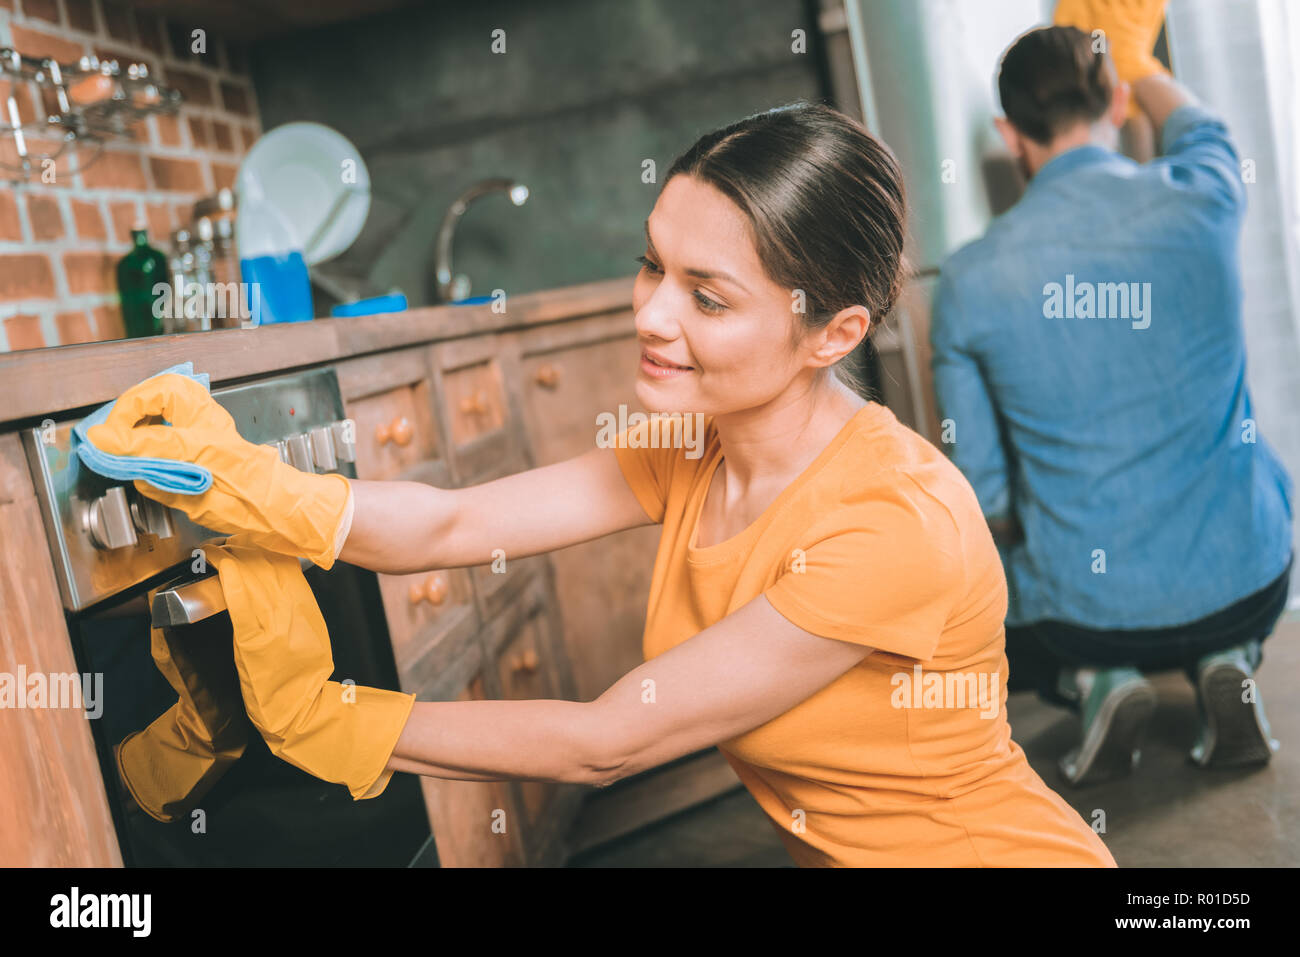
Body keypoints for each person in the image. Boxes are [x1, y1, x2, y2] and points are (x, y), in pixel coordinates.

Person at [92, 101, 1114, 866]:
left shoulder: (891, 523)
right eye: (650, 265)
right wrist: (246, 485)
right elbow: (451, 523)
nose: (653, 315)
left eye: (706, 296)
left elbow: (604, 741)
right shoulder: (695, 443)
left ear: (833, 333)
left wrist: (327, 716)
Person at [929, 9, 1293, 788]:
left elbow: (986, 491)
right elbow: (1206, 130)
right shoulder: (1203, 198)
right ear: (1119, 105)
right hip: (1248, 582)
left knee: (997, 561)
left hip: (1083, 609)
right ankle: (1226, 654)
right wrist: (1135, 57)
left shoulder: (968, 280)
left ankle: (1100, 678)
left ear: (1007, 131)